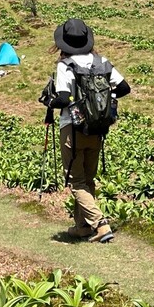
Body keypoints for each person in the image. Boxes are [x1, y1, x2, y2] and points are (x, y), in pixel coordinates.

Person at [47, 17, 130, 243]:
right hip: (97, 128)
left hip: (72, 129)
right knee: (88, 179)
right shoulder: (102, 62)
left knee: (75, 181)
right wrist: (101, 103)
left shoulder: (65, 66)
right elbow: (124, 88)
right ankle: (82, 227)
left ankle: (100, 224)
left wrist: (49, 102)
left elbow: (64, 98)